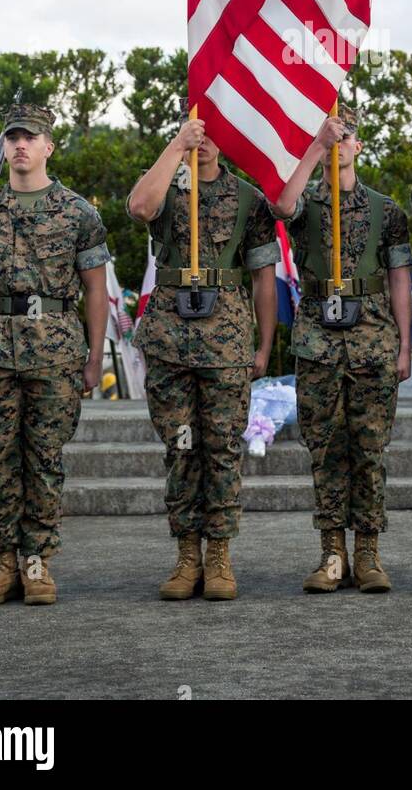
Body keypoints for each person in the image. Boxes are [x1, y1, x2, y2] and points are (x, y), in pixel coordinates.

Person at [0, 103, 109, 606]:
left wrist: (95, 359)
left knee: (44, 460)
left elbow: (96, 291)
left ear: (47, 147)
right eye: (13, 136)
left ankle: (36, 562)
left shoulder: (78, 212)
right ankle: (0, 564)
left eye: (30, 137)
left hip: (55, 352)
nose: (20, 144)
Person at [127, 116, 278, 601]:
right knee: (181, 448)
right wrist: (176, 146)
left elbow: (263, 278)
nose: (205, 140)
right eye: (197, 129)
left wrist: (264, 346)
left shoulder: (249, 199)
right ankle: (187, 553)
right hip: (171, 343)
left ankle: (219, 555)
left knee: (223, 450)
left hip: (226, 344)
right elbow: (138, 207)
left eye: (213, 132)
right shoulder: (167, 187)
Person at [273, 108, 412, 594]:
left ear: (358, 146)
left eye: (344, 136)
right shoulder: (307, 201)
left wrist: (402, 345)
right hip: (318, 344)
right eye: (331, 135)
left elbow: (399, 278)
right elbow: (280, 206)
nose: (338, 143)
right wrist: (314, 145)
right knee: (326, 449)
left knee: (370, 450)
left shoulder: (385, 210)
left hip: (373, 341)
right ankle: (332, 552)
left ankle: (369, 552)